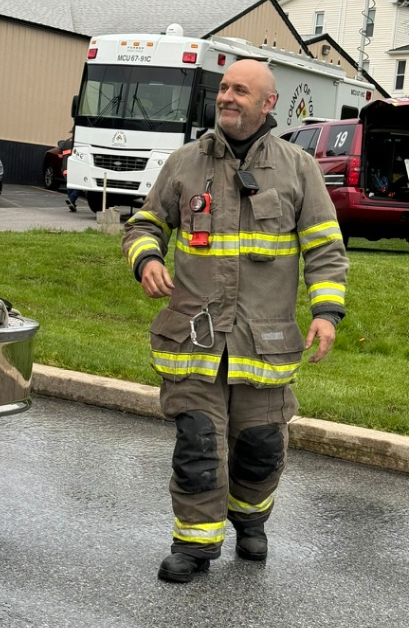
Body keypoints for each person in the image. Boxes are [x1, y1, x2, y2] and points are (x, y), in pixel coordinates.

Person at [121, 59, 349, 583]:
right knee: (198, 446)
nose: (227, 97)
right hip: (195, 340)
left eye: (240, 90)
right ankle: (194, 545)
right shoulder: (184, 163)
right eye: (224, 88)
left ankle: (250, 520)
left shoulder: (298, 168)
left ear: (268, 104)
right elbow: (144, 224)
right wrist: (147, 258)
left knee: (260, 447)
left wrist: (326, 312)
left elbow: (325, 250)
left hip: (265, 342)